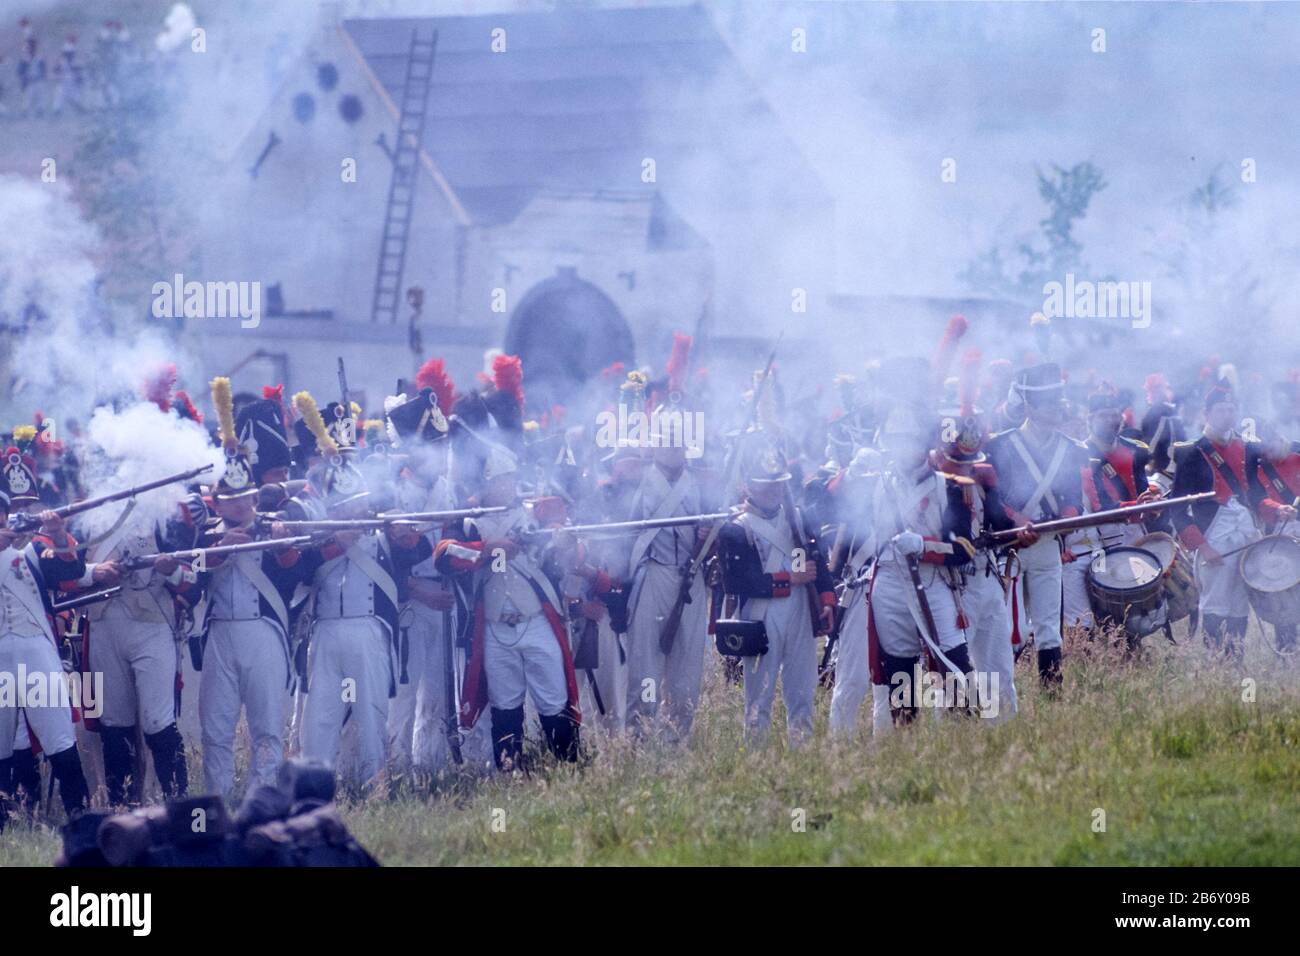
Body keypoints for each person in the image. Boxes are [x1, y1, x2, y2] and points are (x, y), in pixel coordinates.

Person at [433, 442, 582, 770]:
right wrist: (487, 549)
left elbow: (566, 542)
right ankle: (510, 774)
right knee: (505, 704)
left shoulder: (533, 514)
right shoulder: (468, 523)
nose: (507, 487)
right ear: (484, 486)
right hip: (496, 628)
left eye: (510, 480)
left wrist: (562, 541)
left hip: (537, 620)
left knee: (554, 700)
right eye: (500, 481)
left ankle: (569, 769)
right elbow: (444, 556)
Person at [718, 439, 834, 746]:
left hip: (800, 610)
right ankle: (757, 760)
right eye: (766, 485)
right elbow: (737, 582)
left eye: (778, 484)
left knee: (802, 691)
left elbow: (817, 562)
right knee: (759, 697)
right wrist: (788, 579)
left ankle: (803, 751)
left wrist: (826, 600)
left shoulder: (799, 519)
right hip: (759, 614)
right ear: (749, 487)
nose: (774, 490)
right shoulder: (736, 528)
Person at [0, 446, 91, 819]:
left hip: (36, 649)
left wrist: (57, 533)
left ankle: (82, 823)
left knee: (60, 740)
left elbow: (68, 572)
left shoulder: (33, 549)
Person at [986, 363, 1089, 690]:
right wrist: (1015, 521)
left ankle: (1052, 695)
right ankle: (1001, 697)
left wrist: (1064, 522)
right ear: (1030, 406)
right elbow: (990, 496)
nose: (1057, 408)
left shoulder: (1069, 449)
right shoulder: (1000, 445)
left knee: (1048, 626)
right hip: (1010, 547)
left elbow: (1073, 497)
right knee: (1008, 626)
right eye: (1049, 402)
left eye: (1058, 401)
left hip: (1047, 545)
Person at [1171, 381, 1260, 660]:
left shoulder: (1248, 449)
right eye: (1220, 409)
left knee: (1238, 605)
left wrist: (1274, 512)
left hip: (1245, 535)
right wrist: (1202, 546)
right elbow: (1176, 508)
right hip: (1213, 536)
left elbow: (1256, 497)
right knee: (1215, 604)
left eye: (1231, 409)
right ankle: (1214, 663)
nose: (1227, 415)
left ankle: (1235, 663)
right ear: (1206, 413)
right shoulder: (1190, 451)